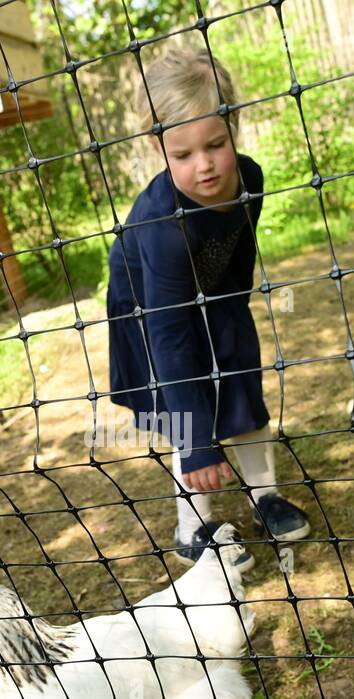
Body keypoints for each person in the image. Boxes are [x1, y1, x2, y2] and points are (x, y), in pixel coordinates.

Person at [106, 47, 310, 570]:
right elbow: (171, 338)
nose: (204, 167)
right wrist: (199, 443)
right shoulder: (162, 225)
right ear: (160, 151)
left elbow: (240, 253)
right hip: (153, 308)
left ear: (233, 128)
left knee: (241, 379)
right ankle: (192, 525)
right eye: (183, 155)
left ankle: (265, 493)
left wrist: (230, 318)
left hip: (215, 292)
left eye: (216, 145)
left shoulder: (250, 179)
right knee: (186, 405)